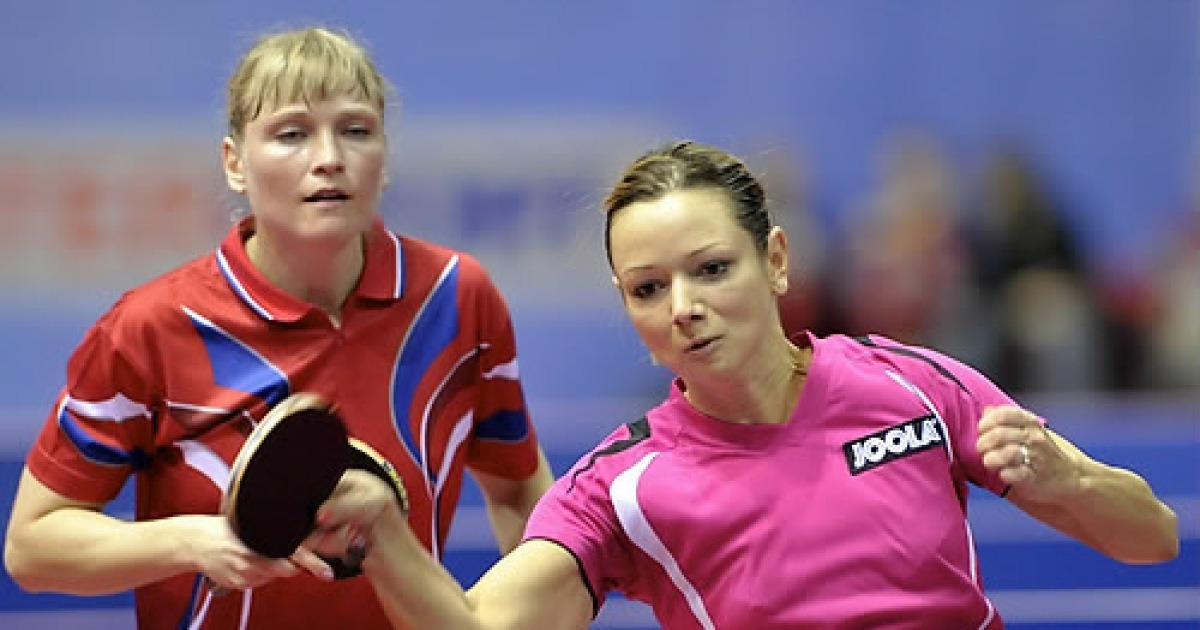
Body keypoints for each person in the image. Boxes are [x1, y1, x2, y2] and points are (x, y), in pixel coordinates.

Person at [308, 140, 1180, 630]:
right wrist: (383, 533)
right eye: (648, 288)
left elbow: (1154, 538)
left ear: (776, 261)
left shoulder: (912, 384)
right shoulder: (620, 489)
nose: (683, 306)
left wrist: (1068, 480)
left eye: (712, 268)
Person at [3, 26, 554, 630]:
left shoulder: (456, 297)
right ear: (234, 164)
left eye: (356, 130)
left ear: (384, 159)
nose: (330, 158)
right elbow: (33, 546)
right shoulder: (152, 327)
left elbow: (519, 493)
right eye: (292, 134)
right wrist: (192, 541)